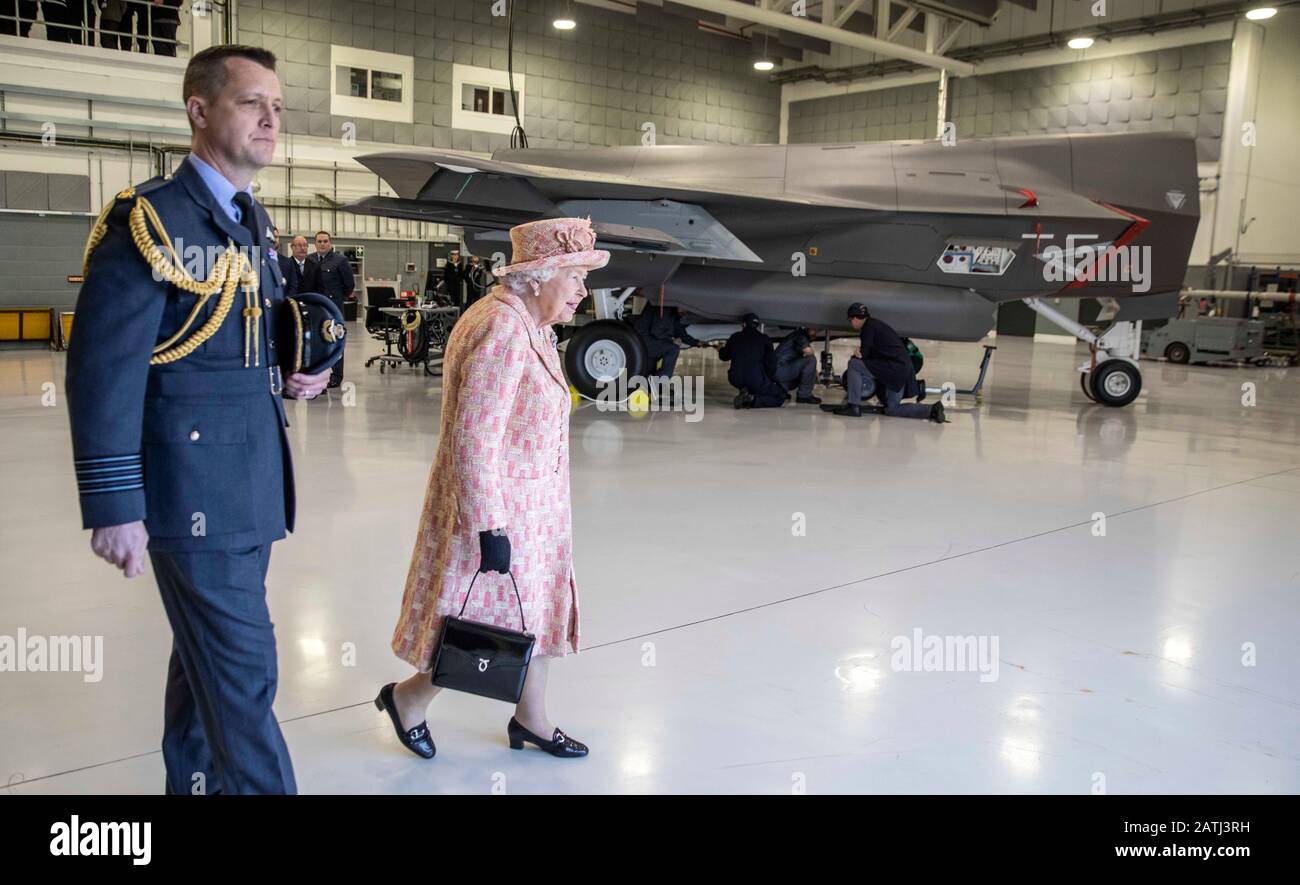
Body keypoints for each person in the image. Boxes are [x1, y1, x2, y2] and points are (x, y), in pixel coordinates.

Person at [65, 45, 332, 795]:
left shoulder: (251, 217)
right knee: (245, 676)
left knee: (203, 665)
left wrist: (296, 367)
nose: (271, 119)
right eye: (252, 103)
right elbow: (102, 370)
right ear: (199, 110)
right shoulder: (149, 218)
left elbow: (242, 338)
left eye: (277, 107)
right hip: (190, 491)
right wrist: (114, 505)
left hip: (250, 484)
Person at [378, 217, 604, 760]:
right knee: (478, 622)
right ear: (538, 276)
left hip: (533, 507)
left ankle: (531, 718)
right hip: (502, 509)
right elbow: (474, 435)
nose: (582, 290)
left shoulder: (528, 323)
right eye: (574, 276)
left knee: (533, 613)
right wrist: (489, 526)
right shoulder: (503, 328)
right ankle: (408, 699)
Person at [832, 302, 945, 422]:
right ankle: (932, 410)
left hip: (893, 369)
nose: (851, 323)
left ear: (855, 318)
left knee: (854, 364)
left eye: (850, 320)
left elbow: (864, 355)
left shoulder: (868, 328)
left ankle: (854, 406)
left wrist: (856, 354)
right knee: (892, 409)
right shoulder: (876, 325)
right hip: (901, 370)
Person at [301, 230, 354, 388]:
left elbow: (349, 285)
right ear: (315, 243)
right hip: (315, 309)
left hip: (333, 308)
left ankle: (336, 376)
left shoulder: (340, 260)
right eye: (319, 241)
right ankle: (318, 374)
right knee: (316, 342)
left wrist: (337, 299)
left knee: (335, 340)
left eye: (325, 241)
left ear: (330, 243)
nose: (322, 244)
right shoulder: (309, 260)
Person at [719, 312, 789, 409]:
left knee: (751, 381)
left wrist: (721, 349)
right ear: (757, 325)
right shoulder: (765, 339)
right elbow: (771, 363)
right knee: (780, 396)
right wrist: (767, 379)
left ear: (743, 324)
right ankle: (751, 399)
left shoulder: (735, 337)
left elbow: (724, 356)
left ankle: (745, 390)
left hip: (735, 378)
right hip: (755, 379)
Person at [630, 301, 699, 386]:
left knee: (649, 370)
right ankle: (661, 381)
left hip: (647, 339)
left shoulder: (672, 309)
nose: (685, 313)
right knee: (673, 349)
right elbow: (657, 331)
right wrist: (672, 340)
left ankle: (654, 383)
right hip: (643, 339)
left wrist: (697, 342)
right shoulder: (665, 307)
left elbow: (679, 331)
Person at [771, 327, 822, 405]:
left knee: (803, 365)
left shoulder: (796, 334)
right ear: (807, 328)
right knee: (811, 360)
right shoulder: (801, 336)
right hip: (779, 370)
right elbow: (808, 352)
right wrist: (815, 370)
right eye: (814, 330)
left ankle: (782, 391)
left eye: (817, 330)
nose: (816, 333)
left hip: (776, 370)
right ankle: (804, 395)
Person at [271, 226, 299, 297]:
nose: (274, 239)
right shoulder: (257, 261)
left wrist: (285, 301)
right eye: (271, 237)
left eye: (276, 237)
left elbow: (293, 286)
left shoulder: (288, 262)